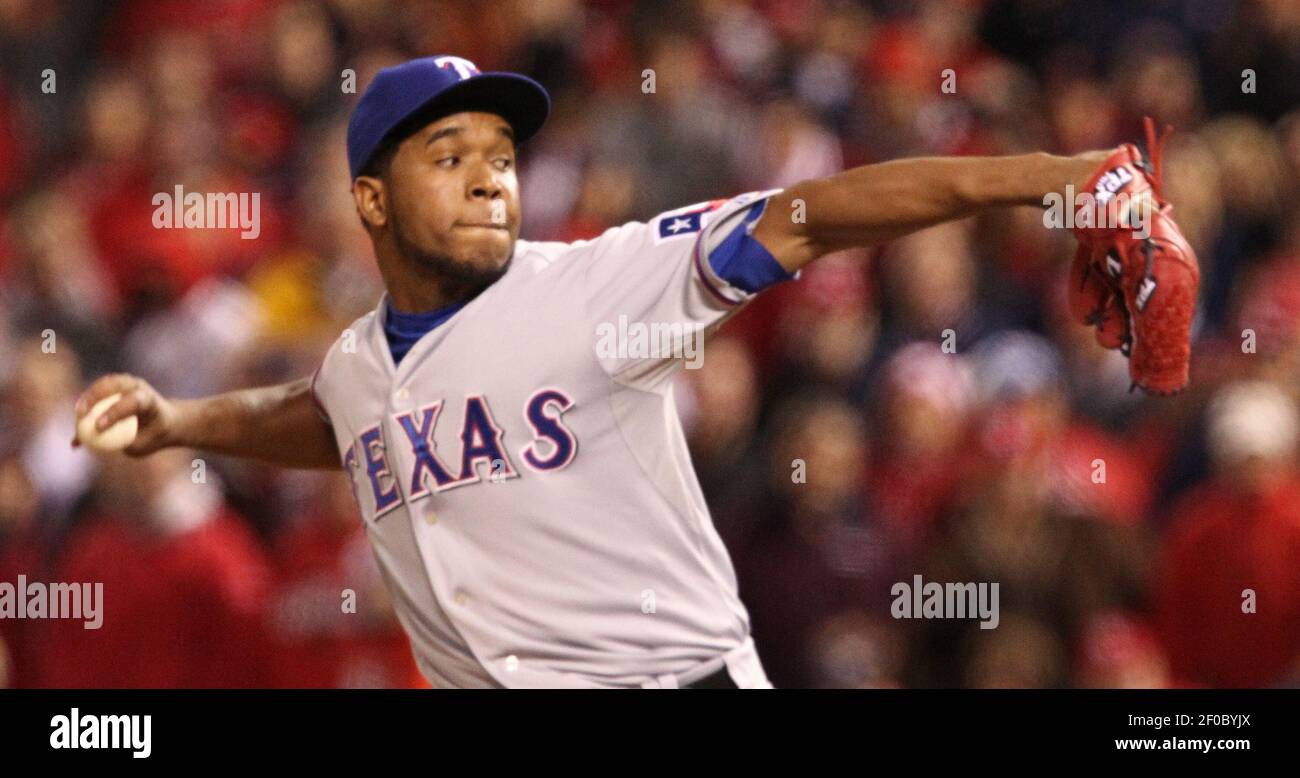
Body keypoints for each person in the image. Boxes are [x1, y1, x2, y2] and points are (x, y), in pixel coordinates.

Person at [72, 55, 1193, 688]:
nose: (488, 178)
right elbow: (330, 420)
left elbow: (812, 217)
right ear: (368, 197)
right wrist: (180, 420)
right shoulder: (358, 361)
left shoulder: (597, 284)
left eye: (501, 156)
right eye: (447, 155)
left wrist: (1053, 176)